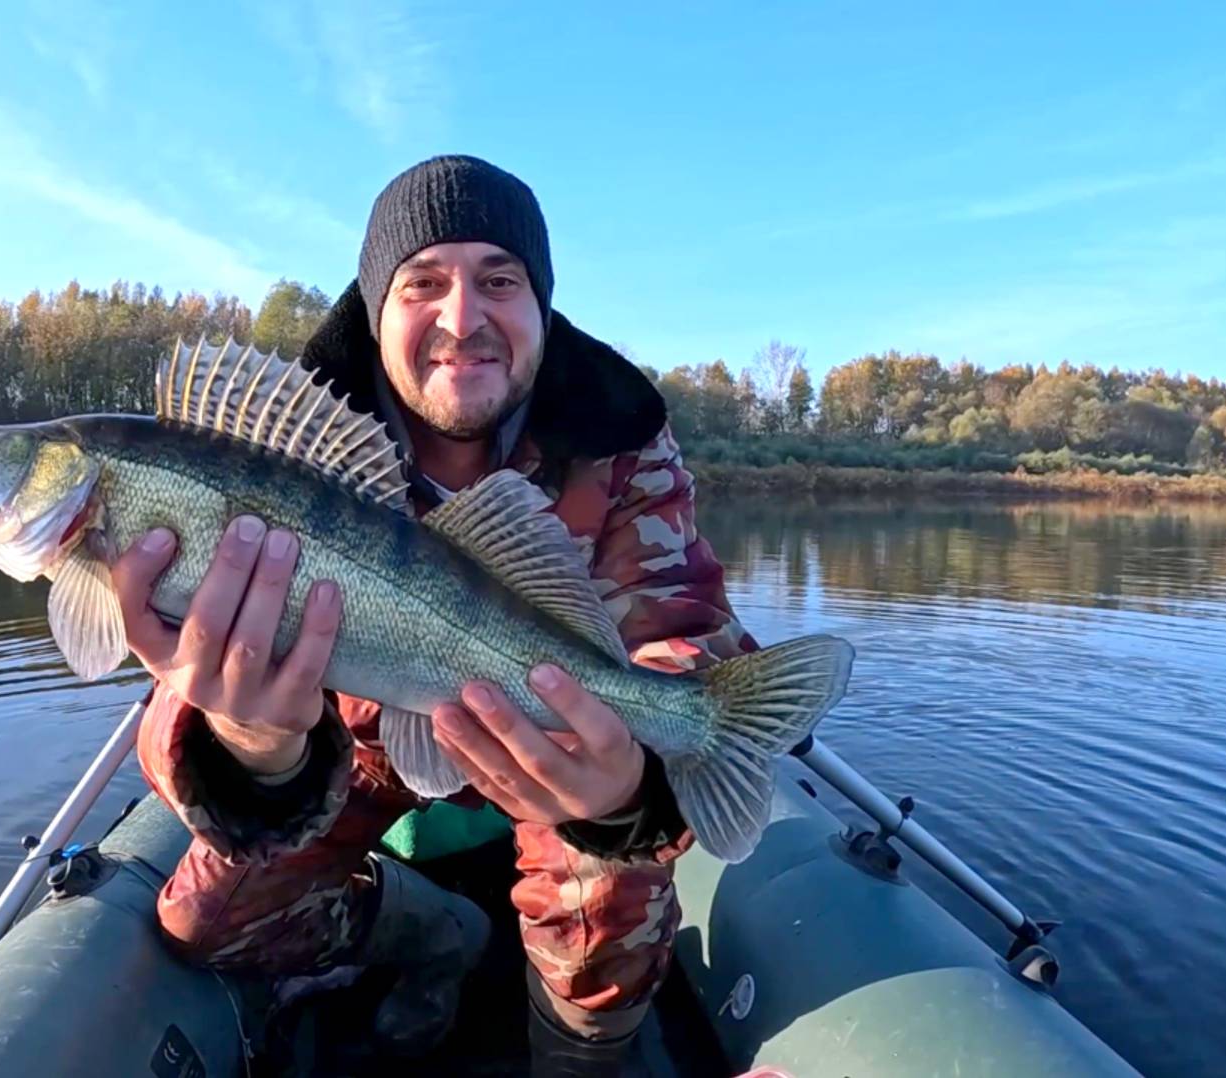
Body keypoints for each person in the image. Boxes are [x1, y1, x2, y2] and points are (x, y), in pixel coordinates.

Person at [111, 154, 757, 1075]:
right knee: (205, 921)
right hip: (351, 746)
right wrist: (255, 750)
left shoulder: (615, 438)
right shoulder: (274, 454)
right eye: (423, 284)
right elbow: (173, 692)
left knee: (613, 895)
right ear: (377, 312)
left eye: (501, 280)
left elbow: (673, 621)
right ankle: (436, 933)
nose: (463, 319)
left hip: (548, 741)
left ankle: (574, 1059)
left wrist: (628, 790)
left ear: (542, 306)